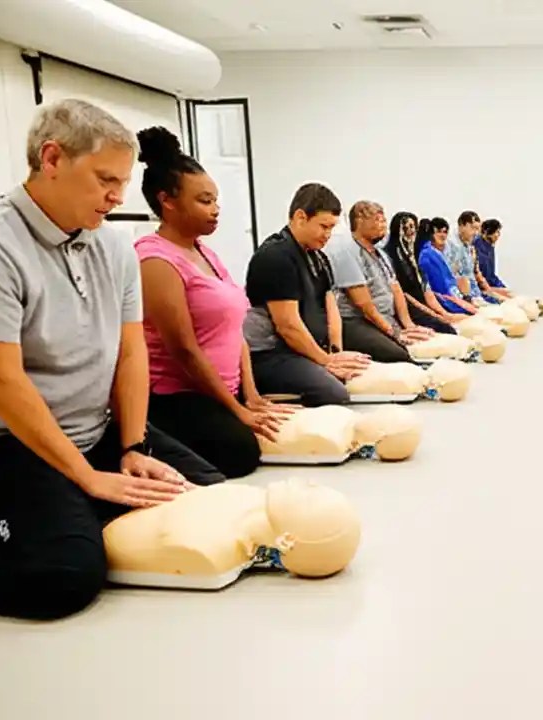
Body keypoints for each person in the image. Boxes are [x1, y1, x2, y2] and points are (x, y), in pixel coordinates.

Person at [0, 99, 224, 620]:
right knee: (66, 575)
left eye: (124, 182)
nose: (118, 196)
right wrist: (87, 477)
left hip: (89, 429)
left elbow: (130, 353)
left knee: (209, 499)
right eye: (105, 179)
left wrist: (132, 446)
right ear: (52, 158)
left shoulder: (115, 248)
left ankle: (34, 511)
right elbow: (0, 380)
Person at [133, 126, 289, 479]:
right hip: (176, 397)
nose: (216, 209)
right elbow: (184, 350)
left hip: (223, 392)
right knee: (240, 452)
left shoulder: (204, 251)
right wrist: (237, 410)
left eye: (216, 200)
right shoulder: (155, 260)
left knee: (262, 430)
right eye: (204, 201)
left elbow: (235, 332)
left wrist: (251, 395)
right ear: (167, 201)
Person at [243, 183, 370, 406]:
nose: (328, 235)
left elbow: (331, 310)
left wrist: (336, 352)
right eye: (323, 227)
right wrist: (326, 362)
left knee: (359, 370)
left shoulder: (318, 257)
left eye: (331, 228)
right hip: (271, 354)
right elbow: (287, 326)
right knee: (334, 393)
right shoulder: (275, 257)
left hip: (306, 348)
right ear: (300, 217)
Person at [324, 201, 433, 363]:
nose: (384, 225)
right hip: (358, 321)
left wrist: (409, 324)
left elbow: (396, 289)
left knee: (429, 337)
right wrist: (393, 333)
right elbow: (365, 306)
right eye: (378, 220)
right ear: (360, 221)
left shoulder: (382, 254)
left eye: (384, 221)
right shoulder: (347, 252)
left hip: (385, 319)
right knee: (400, 355)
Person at [382, 211, 459, 334]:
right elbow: (403, 294)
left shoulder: (414, 254)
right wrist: (432, 314)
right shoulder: (390, 256)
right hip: (408, 307)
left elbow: (425, 288)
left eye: (413, 227)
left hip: (425, 303)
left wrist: (442, 313)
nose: (410, 231)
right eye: (405, 227)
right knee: (446, 328)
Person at [419, 217, 479, 316]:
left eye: (445, 232)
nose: (443, 235)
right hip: (445, 302)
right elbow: (440, 288)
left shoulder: (441, 253)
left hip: (457, 297)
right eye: (439, 231)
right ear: (431, 234)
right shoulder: (427, 255)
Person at [445, 211, 500, 305]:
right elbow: (451, 277)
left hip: (476, 293)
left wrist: (490, 293)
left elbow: (475, 273)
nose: (475, 233)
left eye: (477, 229)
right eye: (473, 228)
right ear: (461, 225)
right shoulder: (451, 245)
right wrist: (468, 299)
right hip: (462, 297)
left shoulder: (470, 245)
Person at [474, 218, 513, 298]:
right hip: (480, 287)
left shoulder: (490, 248)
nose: (498, 235)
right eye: (497, 232)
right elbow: (478, 274)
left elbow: (491, 275)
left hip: (489, 284)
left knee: (510, 293)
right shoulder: (477, 246)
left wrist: (502, 287)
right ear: (488, 232)